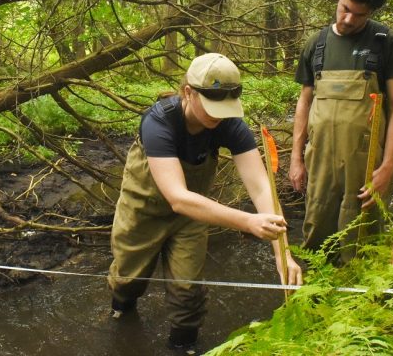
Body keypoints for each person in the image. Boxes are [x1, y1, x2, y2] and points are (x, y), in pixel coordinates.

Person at [107, 53, 303, 353]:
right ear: (189, 92)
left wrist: (282, 253)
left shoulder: (230, 126)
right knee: (128, 280)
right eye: (213, 106)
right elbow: (177, 197)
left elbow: (261, 187)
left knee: (188, 293)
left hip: (192, 217)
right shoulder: (159, 121)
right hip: (143, 210)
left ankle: (183, 345)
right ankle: (121, 317)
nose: (219, 116)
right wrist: (248, 222)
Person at [289, 0, 393, 262]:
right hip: (320, 160)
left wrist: (389, 165)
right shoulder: (316, 45)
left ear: (371, 12)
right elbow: (304, 102)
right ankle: (317, 283)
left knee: (363, 236)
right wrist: (295, 159)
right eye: (345, 9)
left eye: (359, 15)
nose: (348, 19)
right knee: (317, 232)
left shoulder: (388, 43)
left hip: (366, 164)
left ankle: (361, 288)